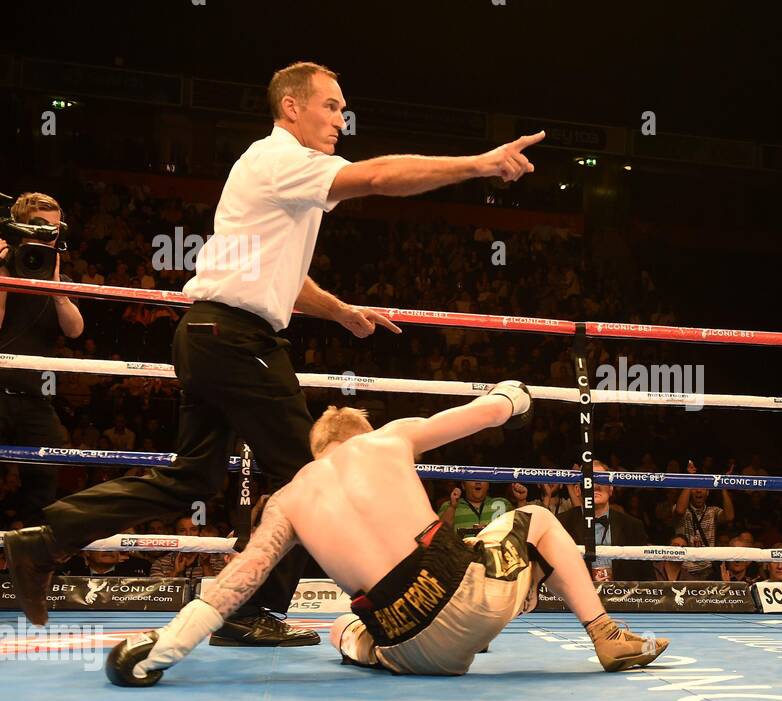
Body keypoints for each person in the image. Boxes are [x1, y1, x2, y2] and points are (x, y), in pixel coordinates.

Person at [4, 61, 545, 637]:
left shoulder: (275, 171)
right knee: (308, 476)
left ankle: (45, 539)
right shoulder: (281, 159)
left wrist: (339, 311)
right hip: (236, 339)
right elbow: (380, 177)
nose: (342, 119)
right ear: (292, 107)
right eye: (331, 106)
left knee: (193, 475)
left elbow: (278, 273)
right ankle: (257, 610)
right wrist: (479, 164)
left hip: (210, 334)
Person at [105, 382, 667, 686]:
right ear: (361, 433)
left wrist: (164, 649)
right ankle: (606, 635)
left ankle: (381, 635)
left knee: (342, 626)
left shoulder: (288, 500)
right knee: (539, 520)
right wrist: (514, 396)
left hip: (414, 655)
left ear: (317, 449)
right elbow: (485, 413)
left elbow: (238, 583)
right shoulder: (388, 439)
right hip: (478, 598)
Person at [0, 193, 84, 525]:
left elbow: (75, 330)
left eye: (53, 227)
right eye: (40, 226)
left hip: (35, 398)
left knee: (45, 477)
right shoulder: (3, 267)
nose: (48, 234)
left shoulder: (58, 277)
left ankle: (30, 553)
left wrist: (56, 288)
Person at [557, 460, 654, 581]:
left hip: (623, 598)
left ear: (611, 488)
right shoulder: (561, 524)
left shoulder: (632, 526)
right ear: (577, 490)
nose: (595, 485)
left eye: (601, 480)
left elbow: (647, 577)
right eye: (589, 480)